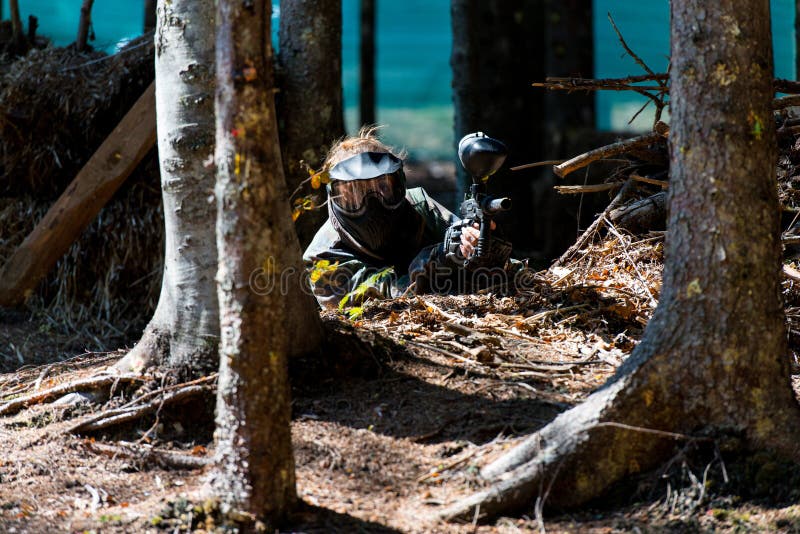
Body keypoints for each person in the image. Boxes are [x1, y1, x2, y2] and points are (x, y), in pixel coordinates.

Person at [303, 127, 513, 309]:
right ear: (335, 197)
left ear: (399, 184)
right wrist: (436, 259)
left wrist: (483, 243)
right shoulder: (323, 257)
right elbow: (380, 300)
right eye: (356, 194)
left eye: (383, 187)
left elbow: (492, 266)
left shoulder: (418, 206)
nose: (373, 203)